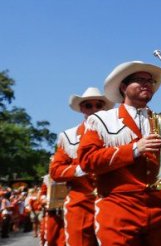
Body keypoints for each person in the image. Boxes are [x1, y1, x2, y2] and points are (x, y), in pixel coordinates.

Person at [77, 61, 161, 246]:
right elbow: (87, 161)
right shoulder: (101, 120)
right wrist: (135, 149)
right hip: (119, 208)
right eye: (140, 80)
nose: (147, 84)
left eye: (150, 81)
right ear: (123, 87)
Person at [49, 87, 112, 246]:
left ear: (104, 108)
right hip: (81, 204)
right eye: (89, 105)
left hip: (112, 201)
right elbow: (55, 171)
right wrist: (82, 169)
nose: (94, 109)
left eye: (98, 105)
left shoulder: (117, 133)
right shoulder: (69, 136)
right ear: (82, 109)